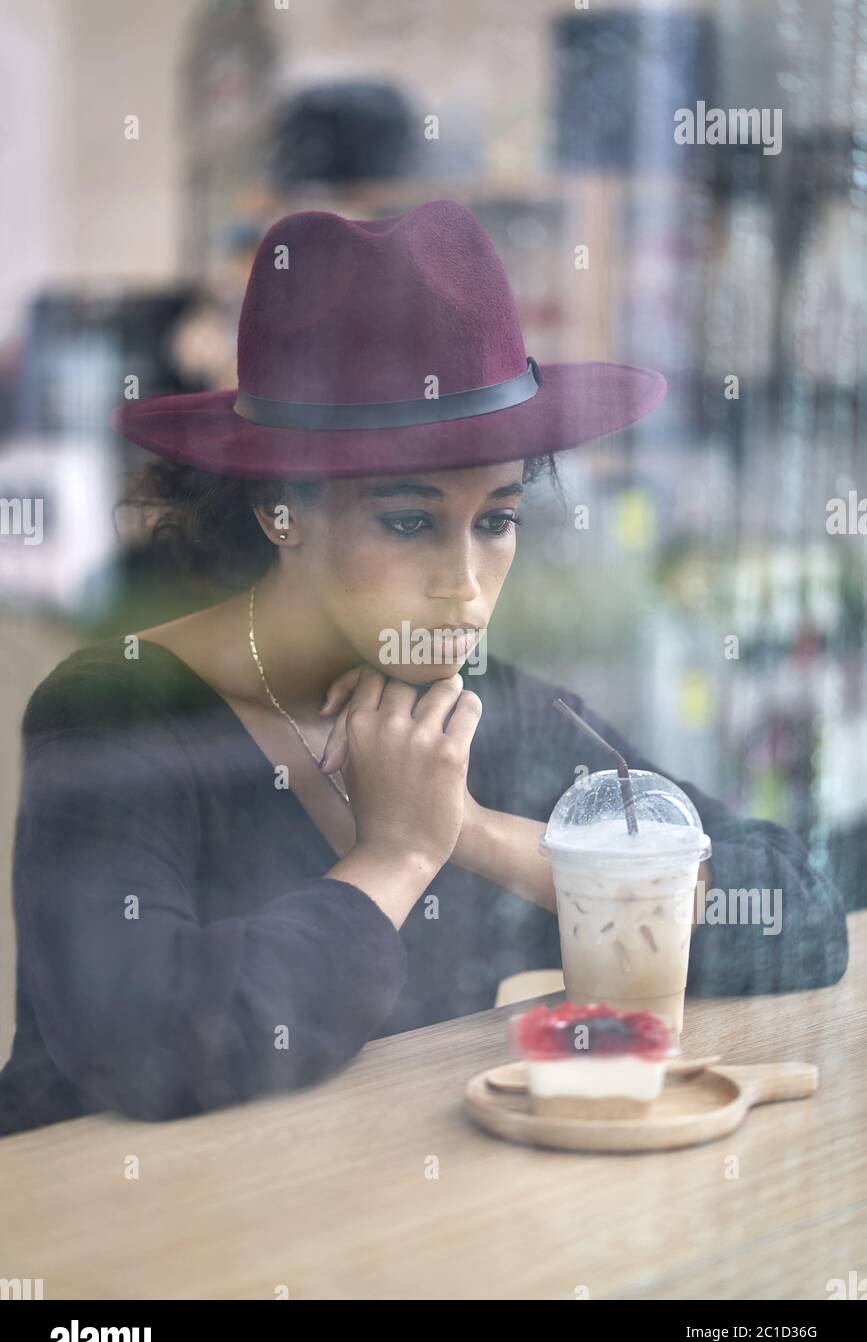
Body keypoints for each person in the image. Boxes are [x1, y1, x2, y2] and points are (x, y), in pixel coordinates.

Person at [0, 201, 848, 1136]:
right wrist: (397, 856)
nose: (464, 584)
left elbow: (795, 915)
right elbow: (147, 1049)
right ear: (280, 510)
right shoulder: (117, 711)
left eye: (495, 520)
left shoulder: (486, 713)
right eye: (408, 521)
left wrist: (476, 831)